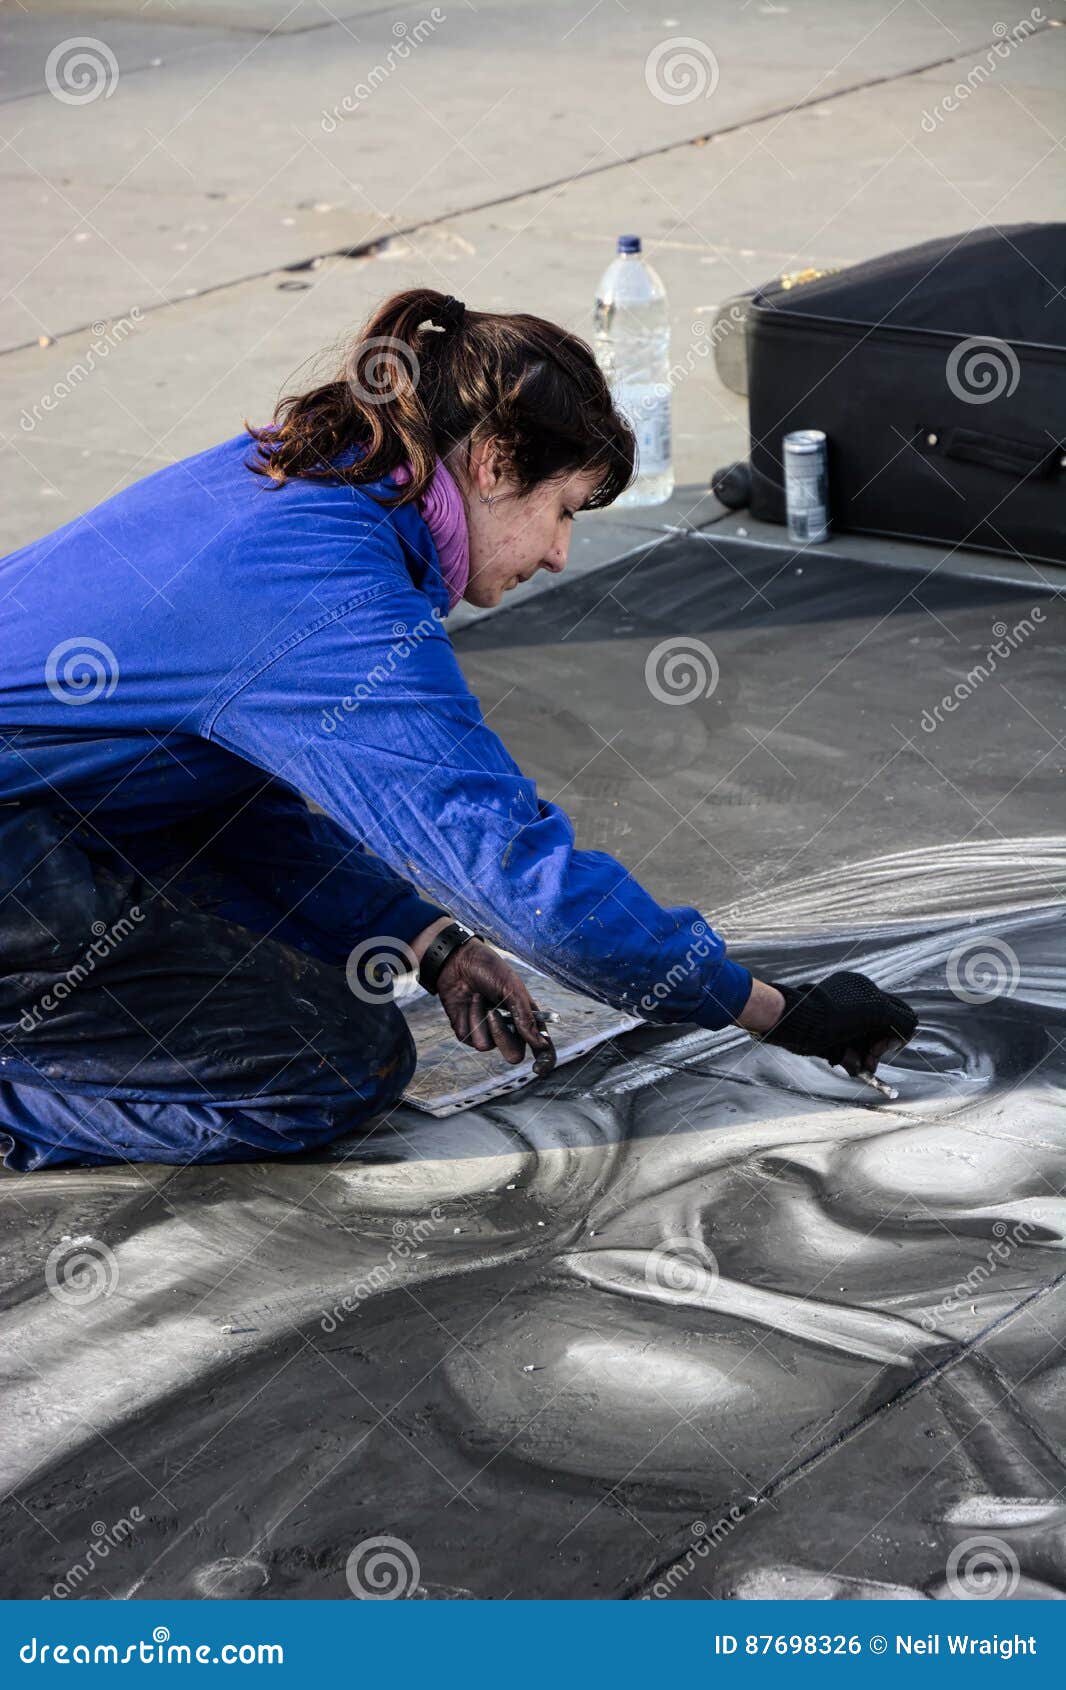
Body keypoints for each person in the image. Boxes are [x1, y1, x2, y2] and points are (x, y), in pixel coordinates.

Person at [0, 289, 917, 1172]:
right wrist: (773, 1009)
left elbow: (219, 801)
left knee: (284, 957)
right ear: (493, 460)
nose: (560, 554)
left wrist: (423, 939)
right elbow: (520, 880)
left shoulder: (301, 478)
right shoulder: (331, 597)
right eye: (561, 511)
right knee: (330, 1067)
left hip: (45, 816)